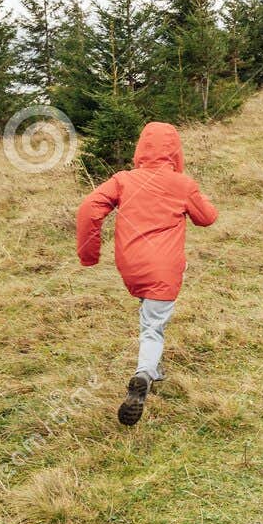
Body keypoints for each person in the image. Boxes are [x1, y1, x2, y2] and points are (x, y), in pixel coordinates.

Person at [76, 122, 217, 424]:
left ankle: (155, 367)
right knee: (153, 328)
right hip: (164, 267)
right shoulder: (182, 183)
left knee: (149, 312)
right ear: (176, 152)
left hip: (130, 265)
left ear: (140, 149)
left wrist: (89, 255)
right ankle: (144, 375)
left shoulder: (123, 179)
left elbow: (89, 207)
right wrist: (195, 195)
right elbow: (207, 219)